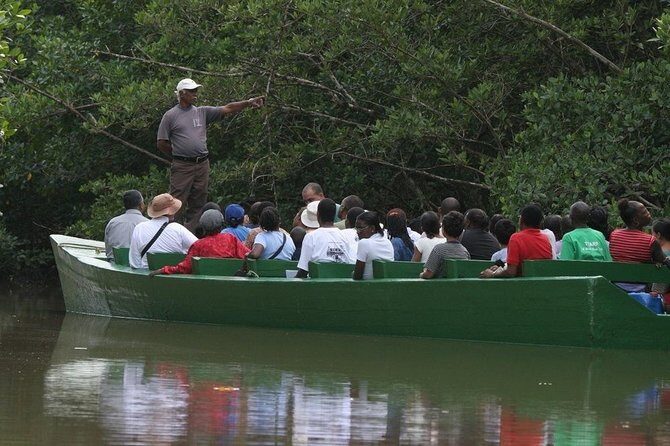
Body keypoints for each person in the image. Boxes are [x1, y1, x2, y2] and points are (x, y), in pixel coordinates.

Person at [157, 78, 264, 230]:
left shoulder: (201, 112)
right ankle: (170, 232)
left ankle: (191, 236)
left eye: (196, 91)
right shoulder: (170, 115)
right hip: (182, 165)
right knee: (176, 201)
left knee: (199, 202)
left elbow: (227, 108)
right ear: (182, 94)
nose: (195, 94)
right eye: (192, 91)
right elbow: (161, 142)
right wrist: (178, 155)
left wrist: (248, 102)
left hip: (202, 164)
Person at [149, 209, 249, 275]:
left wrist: (164, 269)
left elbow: (185, 267)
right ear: (221, 225)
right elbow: (248, 255)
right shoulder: (230, 239)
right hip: (229, 282)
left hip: (206, 286)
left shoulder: (198, 245)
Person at [480, 204, 553, 278]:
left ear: (521, 220)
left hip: (523, 286)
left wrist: (493, 274)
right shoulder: (545, 239)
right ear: (540, 222)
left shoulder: (516, 238)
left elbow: (511, 272)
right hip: (543, 284)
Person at [609, 199, 665, 292]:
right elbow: (662, 260)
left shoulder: (614, 235)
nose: (648, 213)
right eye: (644, 212)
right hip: (641, 287)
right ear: (636, 220)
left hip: (617, 286)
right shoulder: (650, 240)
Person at [129, 193, 197, 268]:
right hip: (173, 277)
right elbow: (200, 247)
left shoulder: (139, 228)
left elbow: (134, 262)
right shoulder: (178, 229)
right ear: (170, 212)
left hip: (147, 276)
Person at [296, 199, 355, 278]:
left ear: (318, 215)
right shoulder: (344, 236)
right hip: (341, 284)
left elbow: (303, 271)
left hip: (318, 286)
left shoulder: (311, 237)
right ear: (334, 216)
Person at [420, 211, 470, 279]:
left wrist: (422, 274)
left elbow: (428, 274)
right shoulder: (465, 251)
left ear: (443, 230)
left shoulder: (438, 249)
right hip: (459, 287)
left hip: (440, 288)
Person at [104, 190, 148, 260]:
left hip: (114, 265)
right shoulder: (147, 224)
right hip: (138, 267)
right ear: (141, 205)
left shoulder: (113, 222)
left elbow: (108, 251)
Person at [353, 211, 394, 280]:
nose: (357, 232)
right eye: (356, 228)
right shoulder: (388, 242)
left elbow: (357, 276)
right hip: (386, 286)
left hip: (367, 287)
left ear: (372, 228)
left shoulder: (364, 243)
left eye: (360, 228)